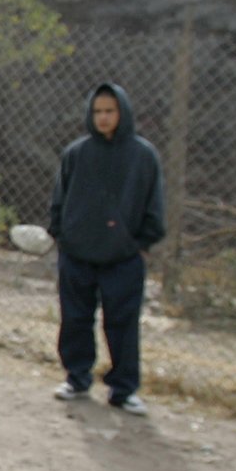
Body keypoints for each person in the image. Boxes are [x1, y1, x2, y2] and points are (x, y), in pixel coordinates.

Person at [47, 82, 166, 414]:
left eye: (109, 111)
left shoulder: (143, 156)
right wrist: (62, 235)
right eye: (97, 111)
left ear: (123, 113)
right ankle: (76, 376)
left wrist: (139, 243)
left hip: (123, 258)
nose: (103, 117)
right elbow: (59, 200)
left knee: (123, 323)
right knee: (75, 317)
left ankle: (123, 389)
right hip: (77, 254)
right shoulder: (77, 153)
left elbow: (154, 207)